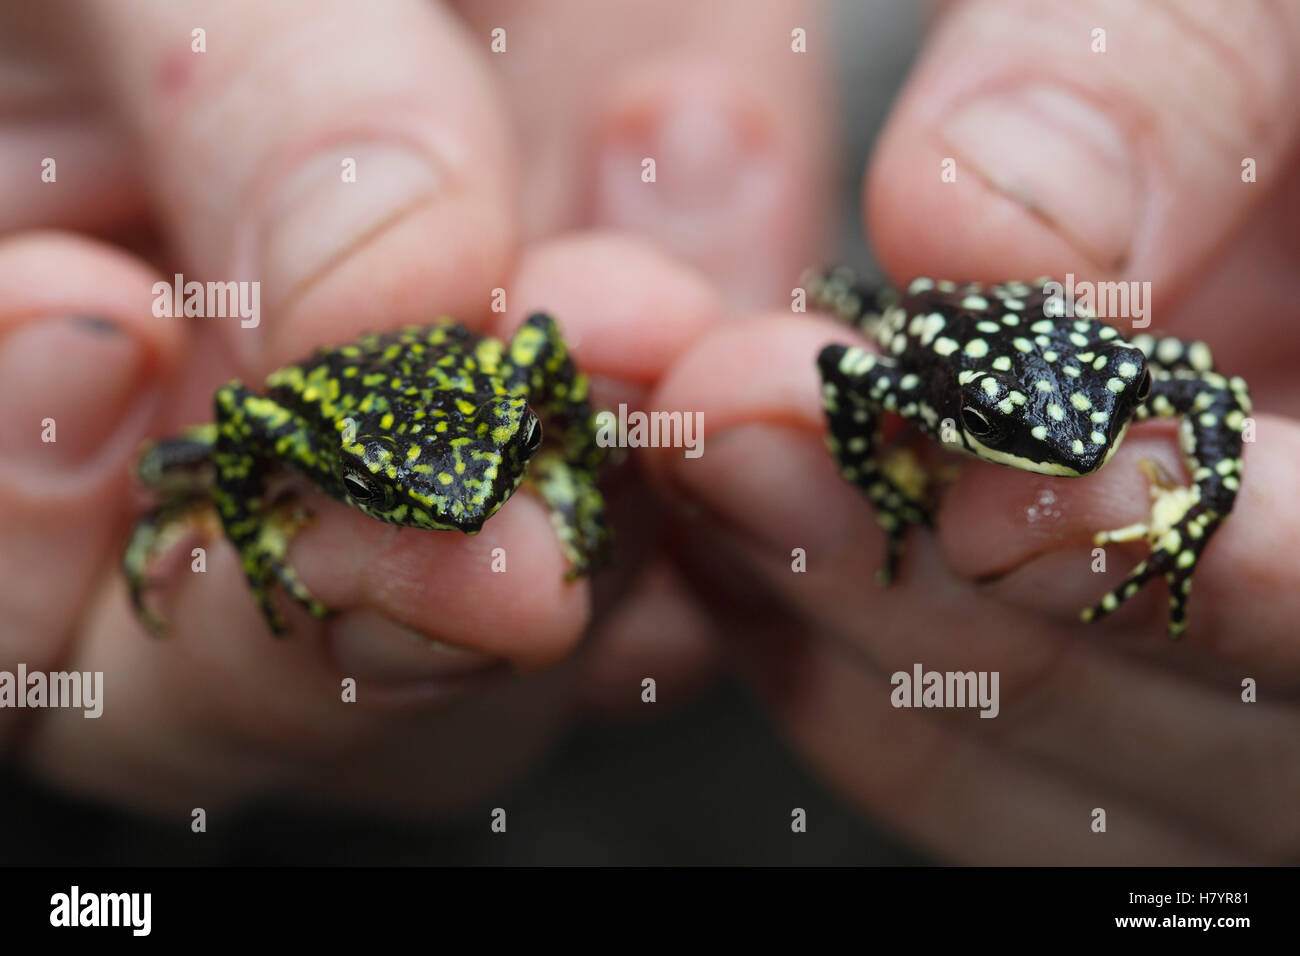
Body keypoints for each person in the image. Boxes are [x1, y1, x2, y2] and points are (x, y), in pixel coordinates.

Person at [1, 0, 1295, 863]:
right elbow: (855, 385)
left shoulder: (1125, 375)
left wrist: (1184, 507)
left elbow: (1196, 386)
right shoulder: (900, 382)